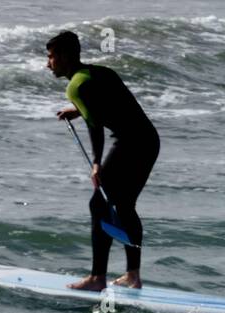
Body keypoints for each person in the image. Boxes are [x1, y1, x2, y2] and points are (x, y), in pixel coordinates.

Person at [46, 31, 160, 292]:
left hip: (130, 144)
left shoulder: (76, 86)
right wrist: (77, 109)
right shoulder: (100, 73)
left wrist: (96, 164)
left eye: (51, 57)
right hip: (149, 141)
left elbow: (95, 126)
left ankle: (97, 278)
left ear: (63, 57)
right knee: (125, 206)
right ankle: (133, 275)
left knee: (99, 204)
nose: (48, 63)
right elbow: (114, 103)